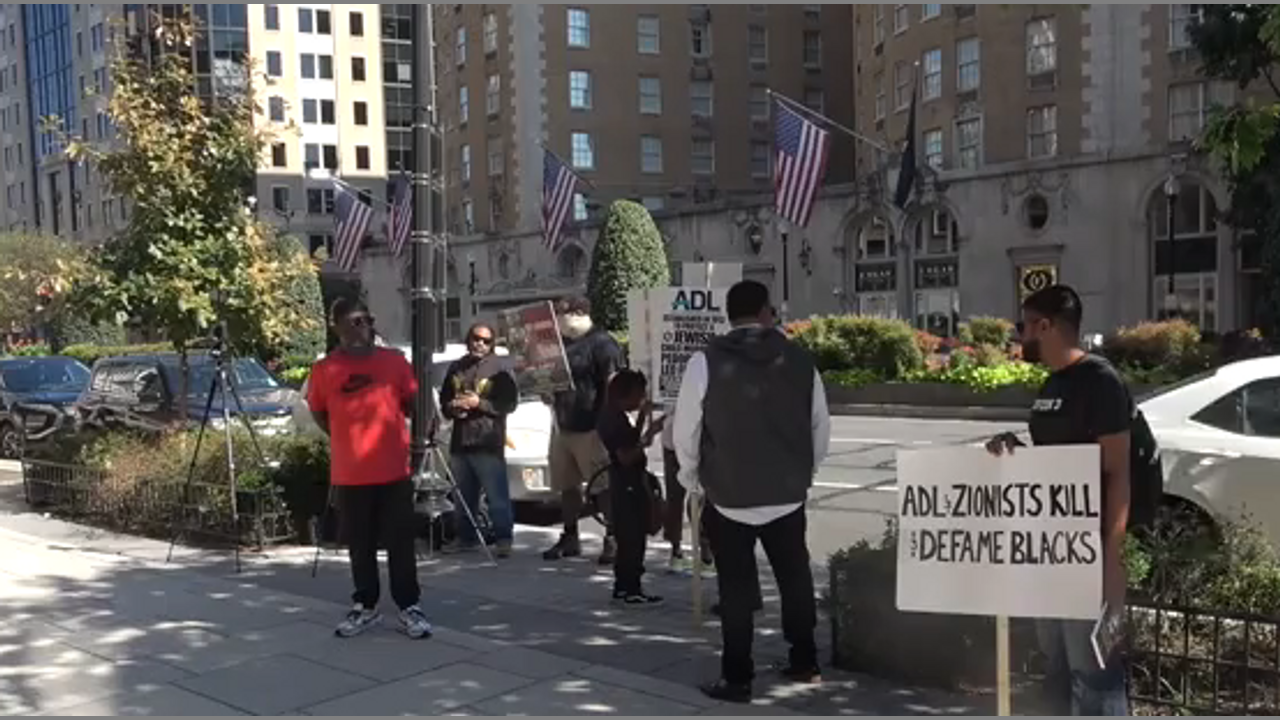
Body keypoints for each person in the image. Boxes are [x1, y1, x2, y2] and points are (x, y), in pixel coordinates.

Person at [674, 280, 831, 703]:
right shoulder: (800, 360)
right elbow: (820, 426)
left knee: (737, 588)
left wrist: (691, 477)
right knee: (795, 578)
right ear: (766, 311)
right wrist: (806, 473)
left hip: (729, 493)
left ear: (729, 314)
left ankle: (738, 677)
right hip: (787, 490)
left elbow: (685, 428)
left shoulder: (704, 362)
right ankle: (805, 660)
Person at [986, 284, 1131, 716]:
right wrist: (1015, 452)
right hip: (1052, 554)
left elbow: (1118, 473)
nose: (1019, 336)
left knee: (1095, 676)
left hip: (1087, 559)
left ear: (1044, 325)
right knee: (1059, 672)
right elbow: (1063, 467)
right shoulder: (1054, 382)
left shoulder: (1099, 380)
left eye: (1023, 326)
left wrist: (1112, 562)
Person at [307, 298, 432, 640]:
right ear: (336, 327)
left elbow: (414, 404)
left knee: (400, 542)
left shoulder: (393, 362)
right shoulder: (324, 370)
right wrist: (344, 436)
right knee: (358, 544)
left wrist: (414, 443)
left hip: (393, 469)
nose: (362, 328)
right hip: (351, 473)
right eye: (353, 322)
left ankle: (409, 605)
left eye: (366, 320)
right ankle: (366, 604)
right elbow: (319, 411)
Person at [543, 296, 624, 563]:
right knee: (567, 485)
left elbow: (614, 385)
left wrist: (606, 424)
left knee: (602, 486)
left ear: (578, 313)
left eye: (561, 313)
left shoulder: (602, 343)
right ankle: (570, 536)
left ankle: (612, 538)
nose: (558, 319)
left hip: (592, 426)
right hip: (562, 423)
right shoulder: (561, 344)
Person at [439, 322, 519, 558]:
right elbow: (444, 401)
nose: (479, 344)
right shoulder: (457, 367)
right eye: (476, 338)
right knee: (463, 497)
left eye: (486, 341)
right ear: (468, 339)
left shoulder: (500, 369)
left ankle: (504, 539)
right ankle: (466, 538)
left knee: (497, 496)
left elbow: (509, 404)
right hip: (460, 440)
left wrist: (479, 404)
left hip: (487, 440)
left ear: (492, 344)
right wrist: (453, 407)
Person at [596, 369, 665, 605]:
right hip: (626, 482)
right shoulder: (611, 420)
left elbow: (630, 439)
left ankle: (626, 585)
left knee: (631, 534)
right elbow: (625, 455)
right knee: (632, 535)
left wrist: (644, 421)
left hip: (628, 480)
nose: (641, 398)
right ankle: (630, 586)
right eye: (639, 394)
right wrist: (648, 438)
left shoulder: (617, 416)